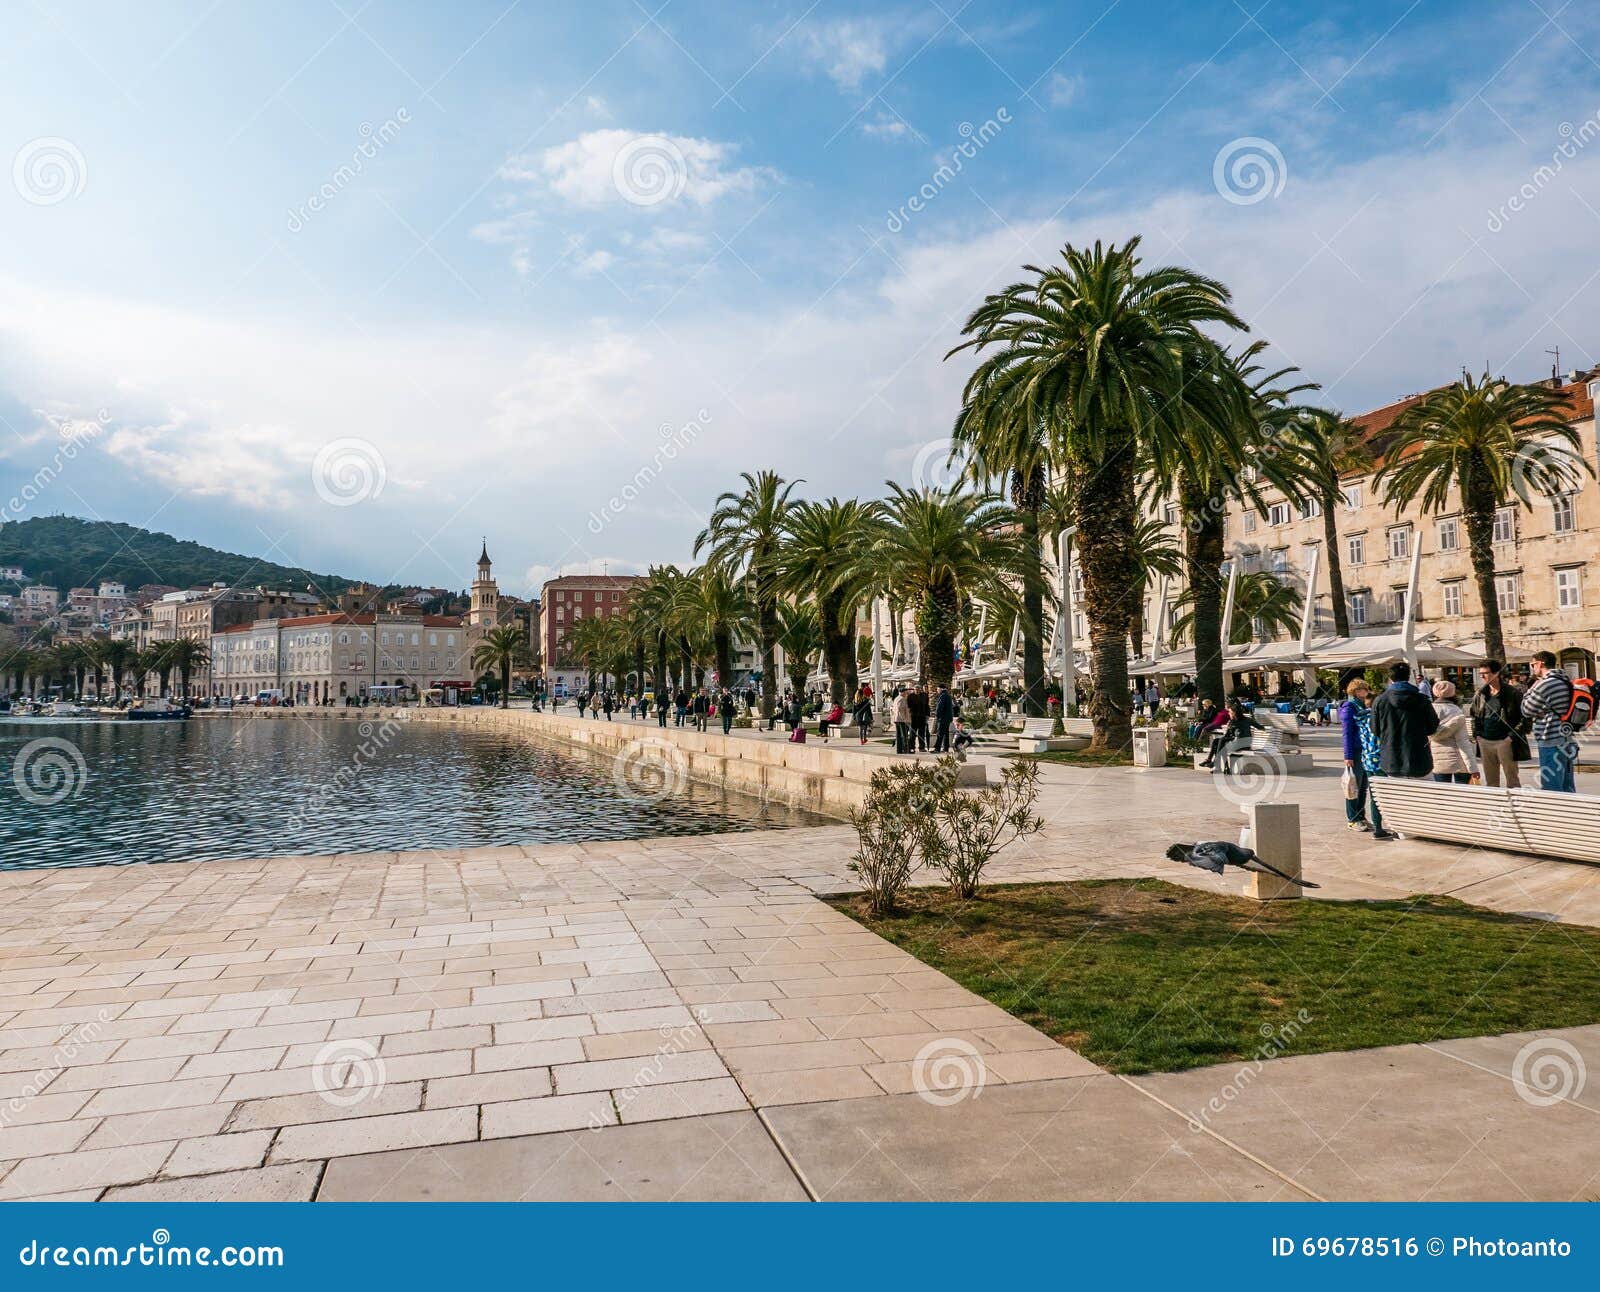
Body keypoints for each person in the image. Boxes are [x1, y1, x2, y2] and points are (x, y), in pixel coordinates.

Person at [1371, 663, 1439, 797]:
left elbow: (1375, 729)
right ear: (1409, 677)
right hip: (1419, 758)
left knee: (1399, 800)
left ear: (1390, 678)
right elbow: (1432, 727)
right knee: (1426, 799)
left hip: (1392, 759)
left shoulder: (1380, 701)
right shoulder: (1422, 699)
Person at [1523, 650, 1577, 792]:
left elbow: (1526, 710)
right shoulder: (1565, 681)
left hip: (1550, 740)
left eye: (1532, 664)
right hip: (1567, 739)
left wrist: (1531, 689)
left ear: (1540, 663)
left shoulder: (1545, 684)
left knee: (1551, 788)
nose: (1532, 668)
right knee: (1567, 786)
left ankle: (1555, 814)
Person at [1340, 679, 1387, 836]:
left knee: (1363, 787)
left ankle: (1360, 815)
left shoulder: (1363, 706)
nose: (1366, 691)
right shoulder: (1350, 707)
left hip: (1365, 752)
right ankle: (1353, 818)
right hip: (1356, 752)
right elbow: (1347, 733)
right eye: (1363, 689)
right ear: (1355, 691)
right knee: (1353, 786)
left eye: (1366, 689)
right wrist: (1348, 755)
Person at [1469, 660, 1522, 788]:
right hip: (1485, 741)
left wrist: (1510, 737)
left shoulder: (1512, 693)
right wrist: (1478, 736)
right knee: (1491, 783)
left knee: (1512, 781)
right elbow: (1474, 716)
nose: (1481, 676)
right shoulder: (1480, 694)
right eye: (1480, 673)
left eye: (1485, 673)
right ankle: (1495, 805)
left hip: (1505, 741)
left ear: (1496, 673)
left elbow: (1524, 718)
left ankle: (1514, 806)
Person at [1427, 679, 1476, 784]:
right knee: (1462, 794)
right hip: (1458, 761)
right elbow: (1463, 742)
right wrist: (1473, 767)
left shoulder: (1429, 709)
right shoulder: (1456, 711)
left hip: (1437, 761)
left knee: (1443, 795)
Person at [1199, 697, 1261, 772]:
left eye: (1230, 712)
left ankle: (1217, 765)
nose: (1228, 714)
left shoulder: (1235, 722)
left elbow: (1230, 736)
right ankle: (1217, 765)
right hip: (1242, 742)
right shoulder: (1244, 720)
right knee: (1217, 742)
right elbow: (1259, 727)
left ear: (1234, 713)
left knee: (1220, 743)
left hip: (1240, 744)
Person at [932, 684, 954, 752]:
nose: (937, 691)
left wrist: (937, 715)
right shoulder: (948, 695)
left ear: (941, 689)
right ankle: (945, 748)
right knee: (945, 733)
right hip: (948, 718)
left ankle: (937, 749)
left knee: (940, 733)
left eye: (937, 689)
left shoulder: (943, 696)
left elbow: (940, 707)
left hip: (943, 718)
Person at [909, 685, 930, 752]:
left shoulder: (924, 695)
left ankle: (921, 747)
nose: (917, 690)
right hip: (913, 717)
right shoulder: (910, 696)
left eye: (918, 689)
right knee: (913, 733)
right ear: (914, 689)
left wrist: (927, 715)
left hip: (922, 717)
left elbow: (927, 706)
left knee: (922, 733)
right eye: (916, 689)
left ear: (920, 689)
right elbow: (908, 707)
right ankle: (912, 747)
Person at [892, 688, 912, 754]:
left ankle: (899, 750)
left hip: (897, 719)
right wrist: (904, 719)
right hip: (901, 720)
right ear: (902, 692)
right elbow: (899, 709)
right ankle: (905, 749)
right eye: (906, 692)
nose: (906, 693)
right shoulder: (902, 699)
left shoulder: (896, 698)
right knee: (904, 735)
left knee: (899, 735)